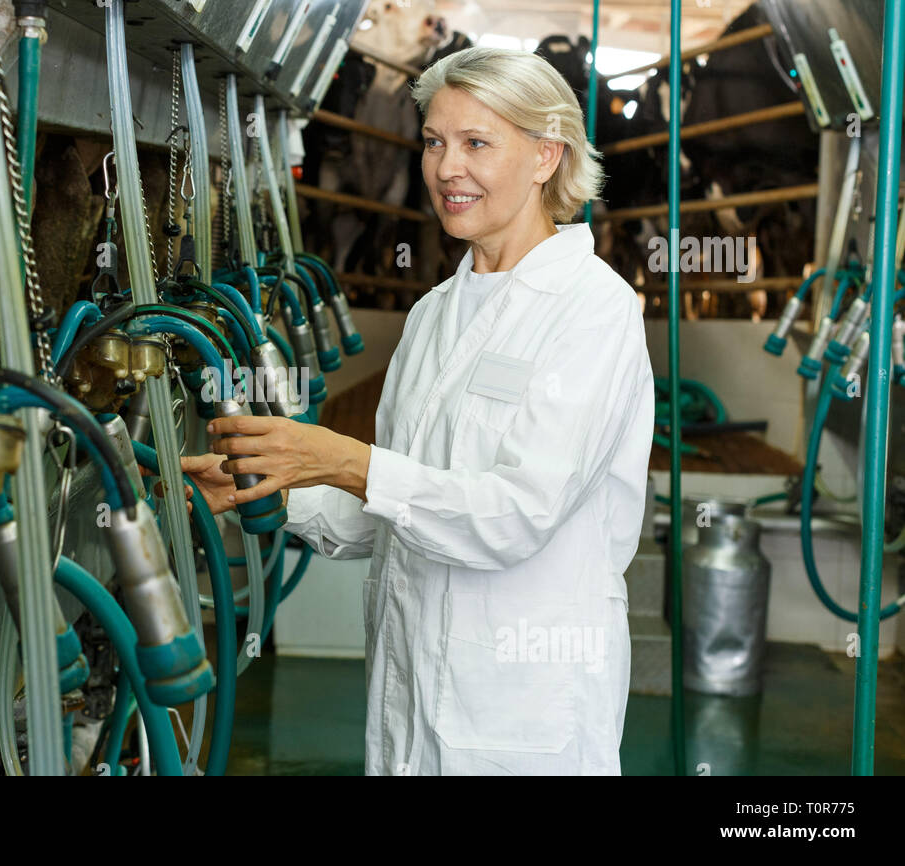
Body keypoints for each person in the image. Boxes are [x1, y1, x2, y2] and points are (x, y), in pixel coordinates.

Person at [183, 45, 654, 775]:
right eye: (435, 142)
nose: (445, 169)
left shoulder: (593, 310)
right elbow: (392, 515)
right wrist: (272, 486)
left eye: (476, 144)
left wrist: (343, 458)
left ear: (544, 156)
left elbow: (514, 515)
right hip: (408, 705)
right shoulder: (436, 312)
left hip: (521, 713)